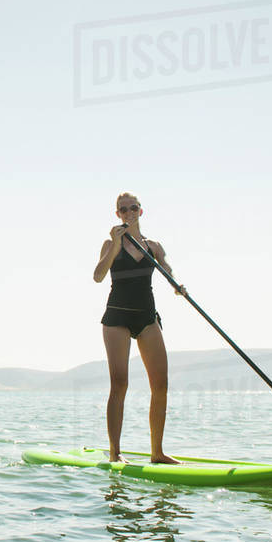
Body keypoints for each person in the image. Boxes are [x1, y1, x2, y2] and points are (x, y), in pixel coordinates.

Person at [93, 192, 184, 465]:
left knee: (161, 385)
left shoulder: (154, 246)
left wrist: (177, 286)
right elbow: (98, 276)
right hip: (117, 318)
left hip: (146, 317)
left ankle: (157, 453)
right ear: (117, 214)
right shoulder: (110, 243)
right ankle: (115, 453)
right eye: (123, 209)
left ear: (141, 211)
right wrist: (116, 244)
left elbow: (168, 271)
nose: (129, 212)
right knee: (119, 384)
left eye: (133, 208)